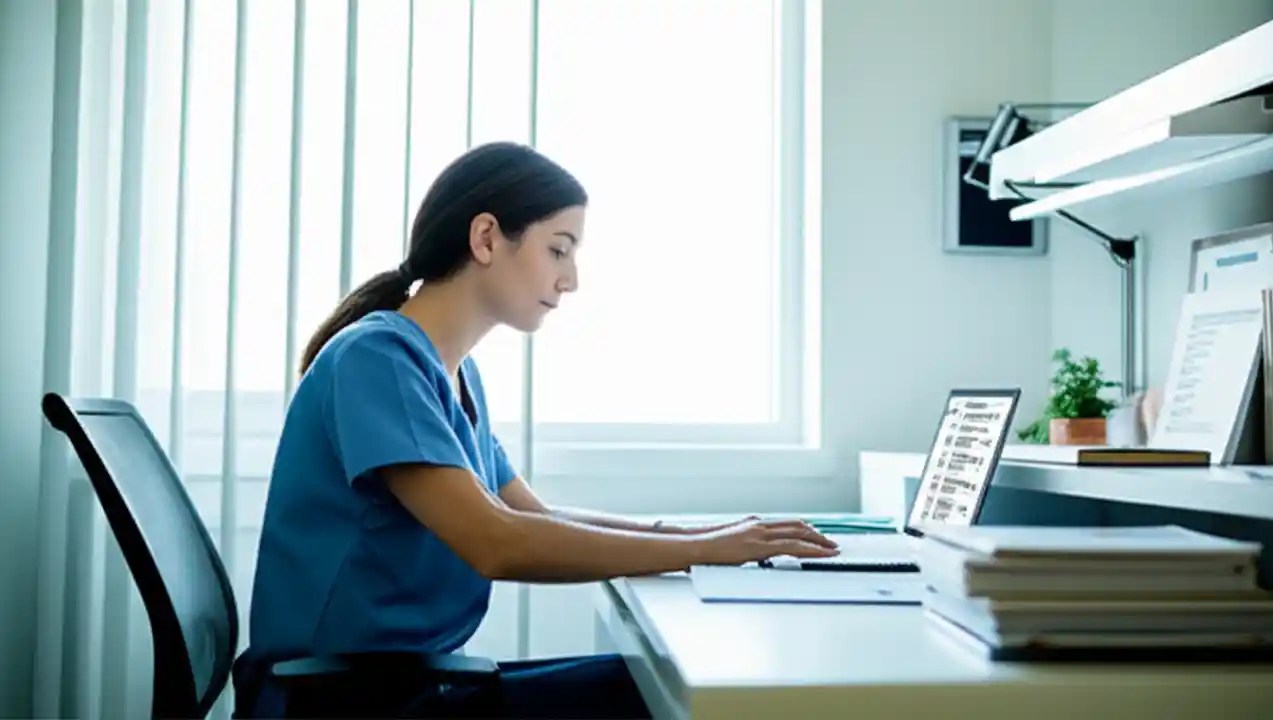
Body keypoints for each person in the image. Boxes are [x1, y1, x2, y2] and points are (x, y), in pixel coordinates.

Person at [231, 141, 838, 719]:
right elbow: (499, 542)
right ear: (487, 237)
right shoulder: (379, 360)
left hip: (403, 684)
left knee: (657, 687)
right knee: (666, 698)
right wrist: (701, 551)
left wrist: (696, 534)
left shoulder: (453, 373)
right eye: (559, 249)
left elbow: (532, 514)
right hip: (344, 702)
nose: (570, 279)